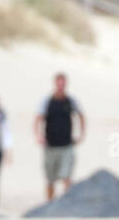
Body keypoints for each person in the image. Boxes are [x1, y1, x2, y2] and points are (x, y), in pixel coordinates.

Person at [34, 73, 86, 201]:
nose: (61, 86)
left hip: (67, 145)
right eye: (59, 83)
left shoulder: (71, 101)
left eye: (63, 84)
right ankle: (50, 204)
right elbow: (38, 119)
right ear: (55, 84)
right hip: (50, 145)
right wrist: (38, 136)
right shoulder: (47, 101)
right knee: (50, 179)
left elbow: (81, 116)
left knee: (66, 176)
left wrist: (81, 135)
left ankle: (66, 204)